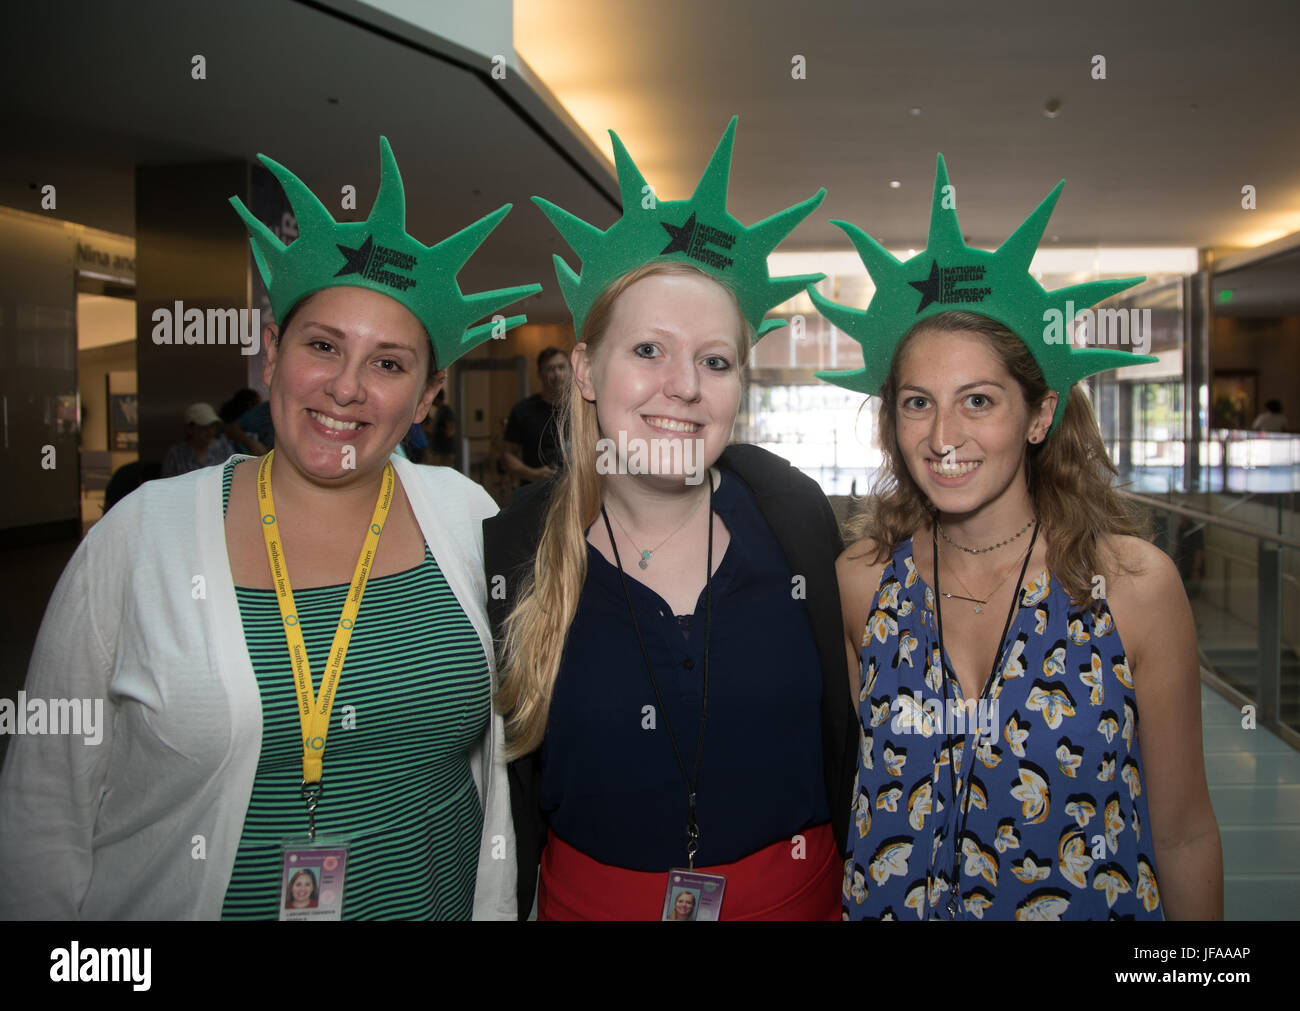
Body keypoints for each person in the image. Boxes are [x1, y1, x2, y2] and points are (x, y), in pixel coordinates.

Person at [0, 137, 539, 920]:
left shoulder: (467, 517)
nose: (346, 387)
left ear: (426, 397)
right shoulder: (142, 536)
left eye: (389, 364)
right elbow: (44, 806)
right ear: (273, 351)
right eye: (323, 346)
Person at [811, 155, 1223, 920]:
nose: (942, 436)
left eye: (978, 400)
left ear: (1039, 415)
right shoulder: (862, 582)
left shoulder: (1131, 586)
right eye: (916, 402)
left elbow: (1187, 831)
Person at [486, 118, 856, 921]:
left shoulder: (794, 523)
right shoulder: (510, 552)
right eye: (648, 351)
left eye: (715, 361)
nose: (684, 386)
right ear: (586, 371)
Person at [502, 347, 570, 485]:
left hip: (576, 492)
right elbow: (508, 455)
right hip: (535, 493)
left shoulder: (585, 409)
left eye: (561, 367)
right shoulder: (523, 410)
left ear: (571, 370)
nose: (557, 374)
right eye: (550, 369)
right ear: (540, 373)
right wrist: (532, 474)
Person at [160, 402, 237, 476]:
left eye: (212, 426)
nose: (210, 432)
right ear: (190, 429)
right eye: (204, 428)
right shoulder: (176, 453)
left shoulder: (224, 448)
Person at [427, 388, 457, 467]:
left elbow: (450, 429)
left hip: (443, 452)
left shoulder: (446, 410)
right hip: (437, 450)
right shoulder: (439, 410)